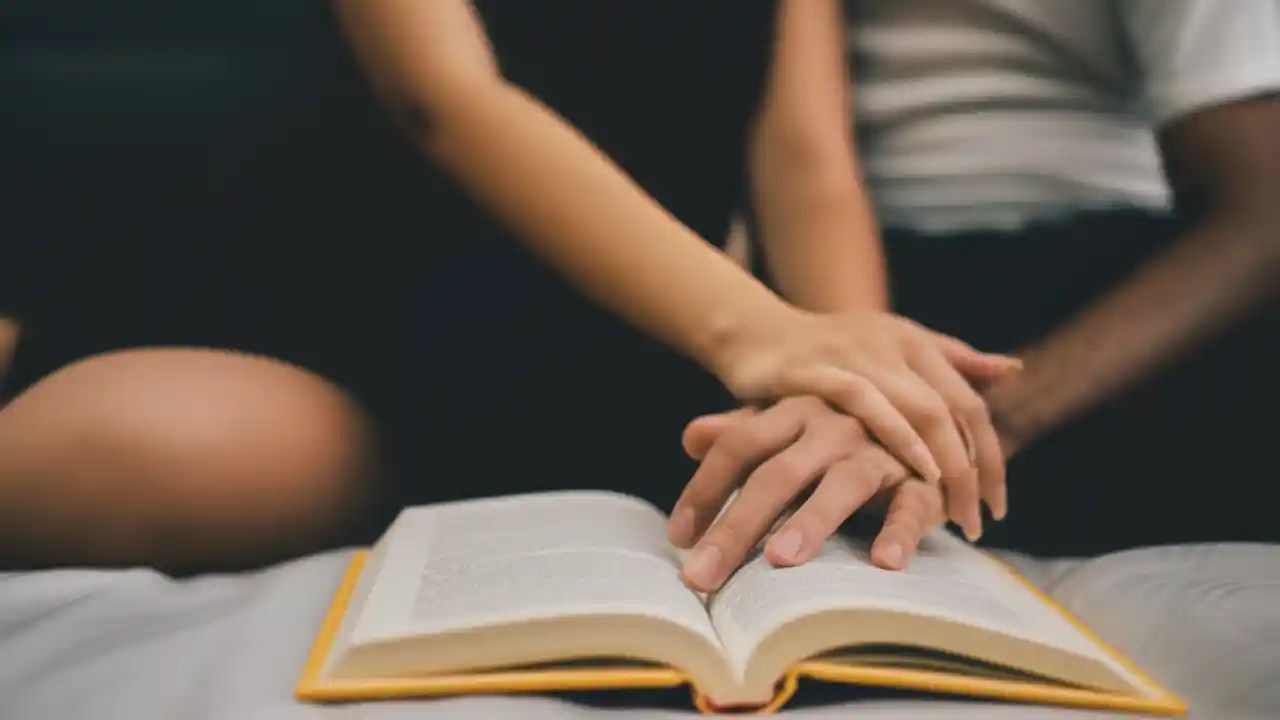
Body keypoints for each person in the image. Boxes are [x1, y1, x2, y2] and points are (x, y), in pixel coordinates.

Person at [0, 1, 1008, 572]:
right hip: (339, 301)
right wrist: (757, 333)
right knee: (181, 470)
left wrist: (859, 382)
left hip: (621, 335)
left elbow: (804, 155)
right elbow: (445, 95)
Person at [707, 0, 1280, 560]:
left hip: (1100, 308)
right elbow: (806, 151)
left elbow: (1264, 209)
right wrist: (863, 377)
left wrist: (979, 421)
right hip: (860, 283)